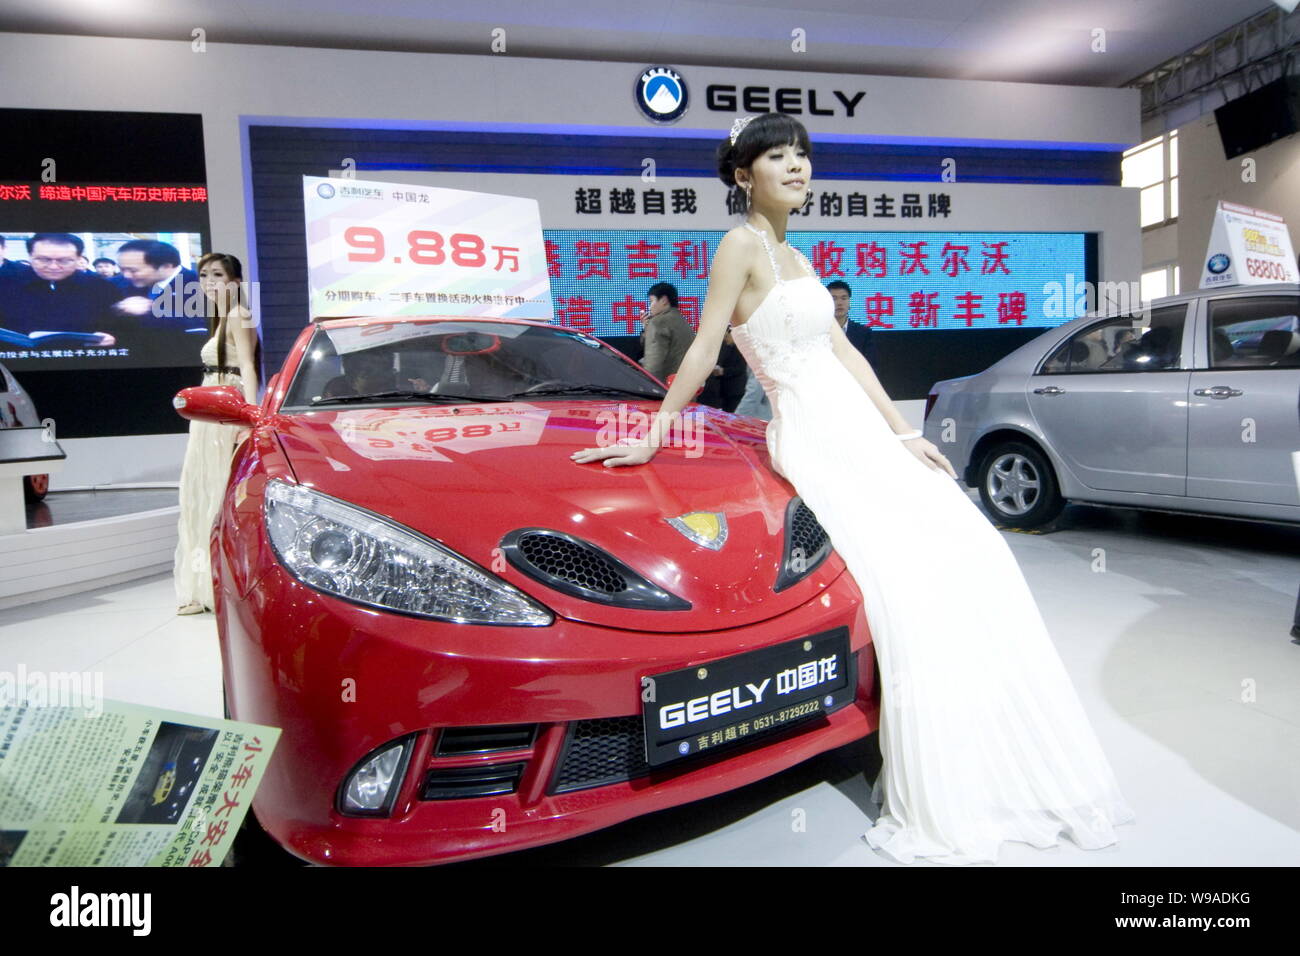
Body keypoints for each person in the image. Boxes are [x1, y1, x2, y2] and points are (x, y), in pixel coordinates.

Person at [570, 112, 1136, 865]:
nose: (798, 167)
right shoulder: (738, 246)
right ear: (744, 174)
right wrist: (654, 432)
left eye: (803, 155)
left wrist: (906, 436)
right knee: (905, 583)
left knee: (972, 549)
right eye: (779, 156)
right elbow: (707, 344)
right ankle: (937, 760)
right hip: (813, 434)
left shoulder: (799, 259)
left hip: (861, 433)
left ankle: (982, 743)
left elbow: (846, 355)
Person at [174, 252, 260, 615]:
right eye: (204, 275)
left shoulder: (239, 315)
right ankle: (201, 584)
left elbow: (248, 368)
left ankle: (215, 585)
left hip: (225, 412)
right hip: (209, 415)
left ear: (235, 282)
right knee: (199, 493)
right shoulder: (220, 317)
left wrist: (248, 418)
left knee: (213, 494)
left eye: (217, 274)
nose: (209, 281)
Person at [0, 234, 120, 347]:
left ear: (79, 258)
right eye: (43, 260)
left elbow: (122, 327)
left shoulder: (101, 287)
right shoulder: (5, 281)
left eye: (64, 260)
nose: (53, 267)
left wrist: (111, 336)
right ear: (30, 256)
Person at [114, 239, 204, 365]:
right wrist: (120, 308)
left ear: (167, 266)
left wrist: (150, 311)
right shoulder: (119, 283)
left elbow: (202, 326)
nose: (126, 275)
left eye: (133, 270)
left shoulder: (200, 285)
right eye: (122, 269)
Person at [638, 281, 695, 383]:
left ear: (664, 300)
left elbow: (653, 363)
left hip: (665, 387)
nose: (650, 307)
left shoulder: (658, 322)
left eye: (651, 301)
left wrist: (645, 385)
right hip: (687, 385)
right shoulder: (682, 320)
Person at [828, 280, 882, 367]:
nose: (839, 303)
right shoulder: (819, 332)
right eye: (834, 298)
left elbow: (871, 366)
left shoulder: (864, 333)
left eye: (844, 298)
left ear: (849, 302)